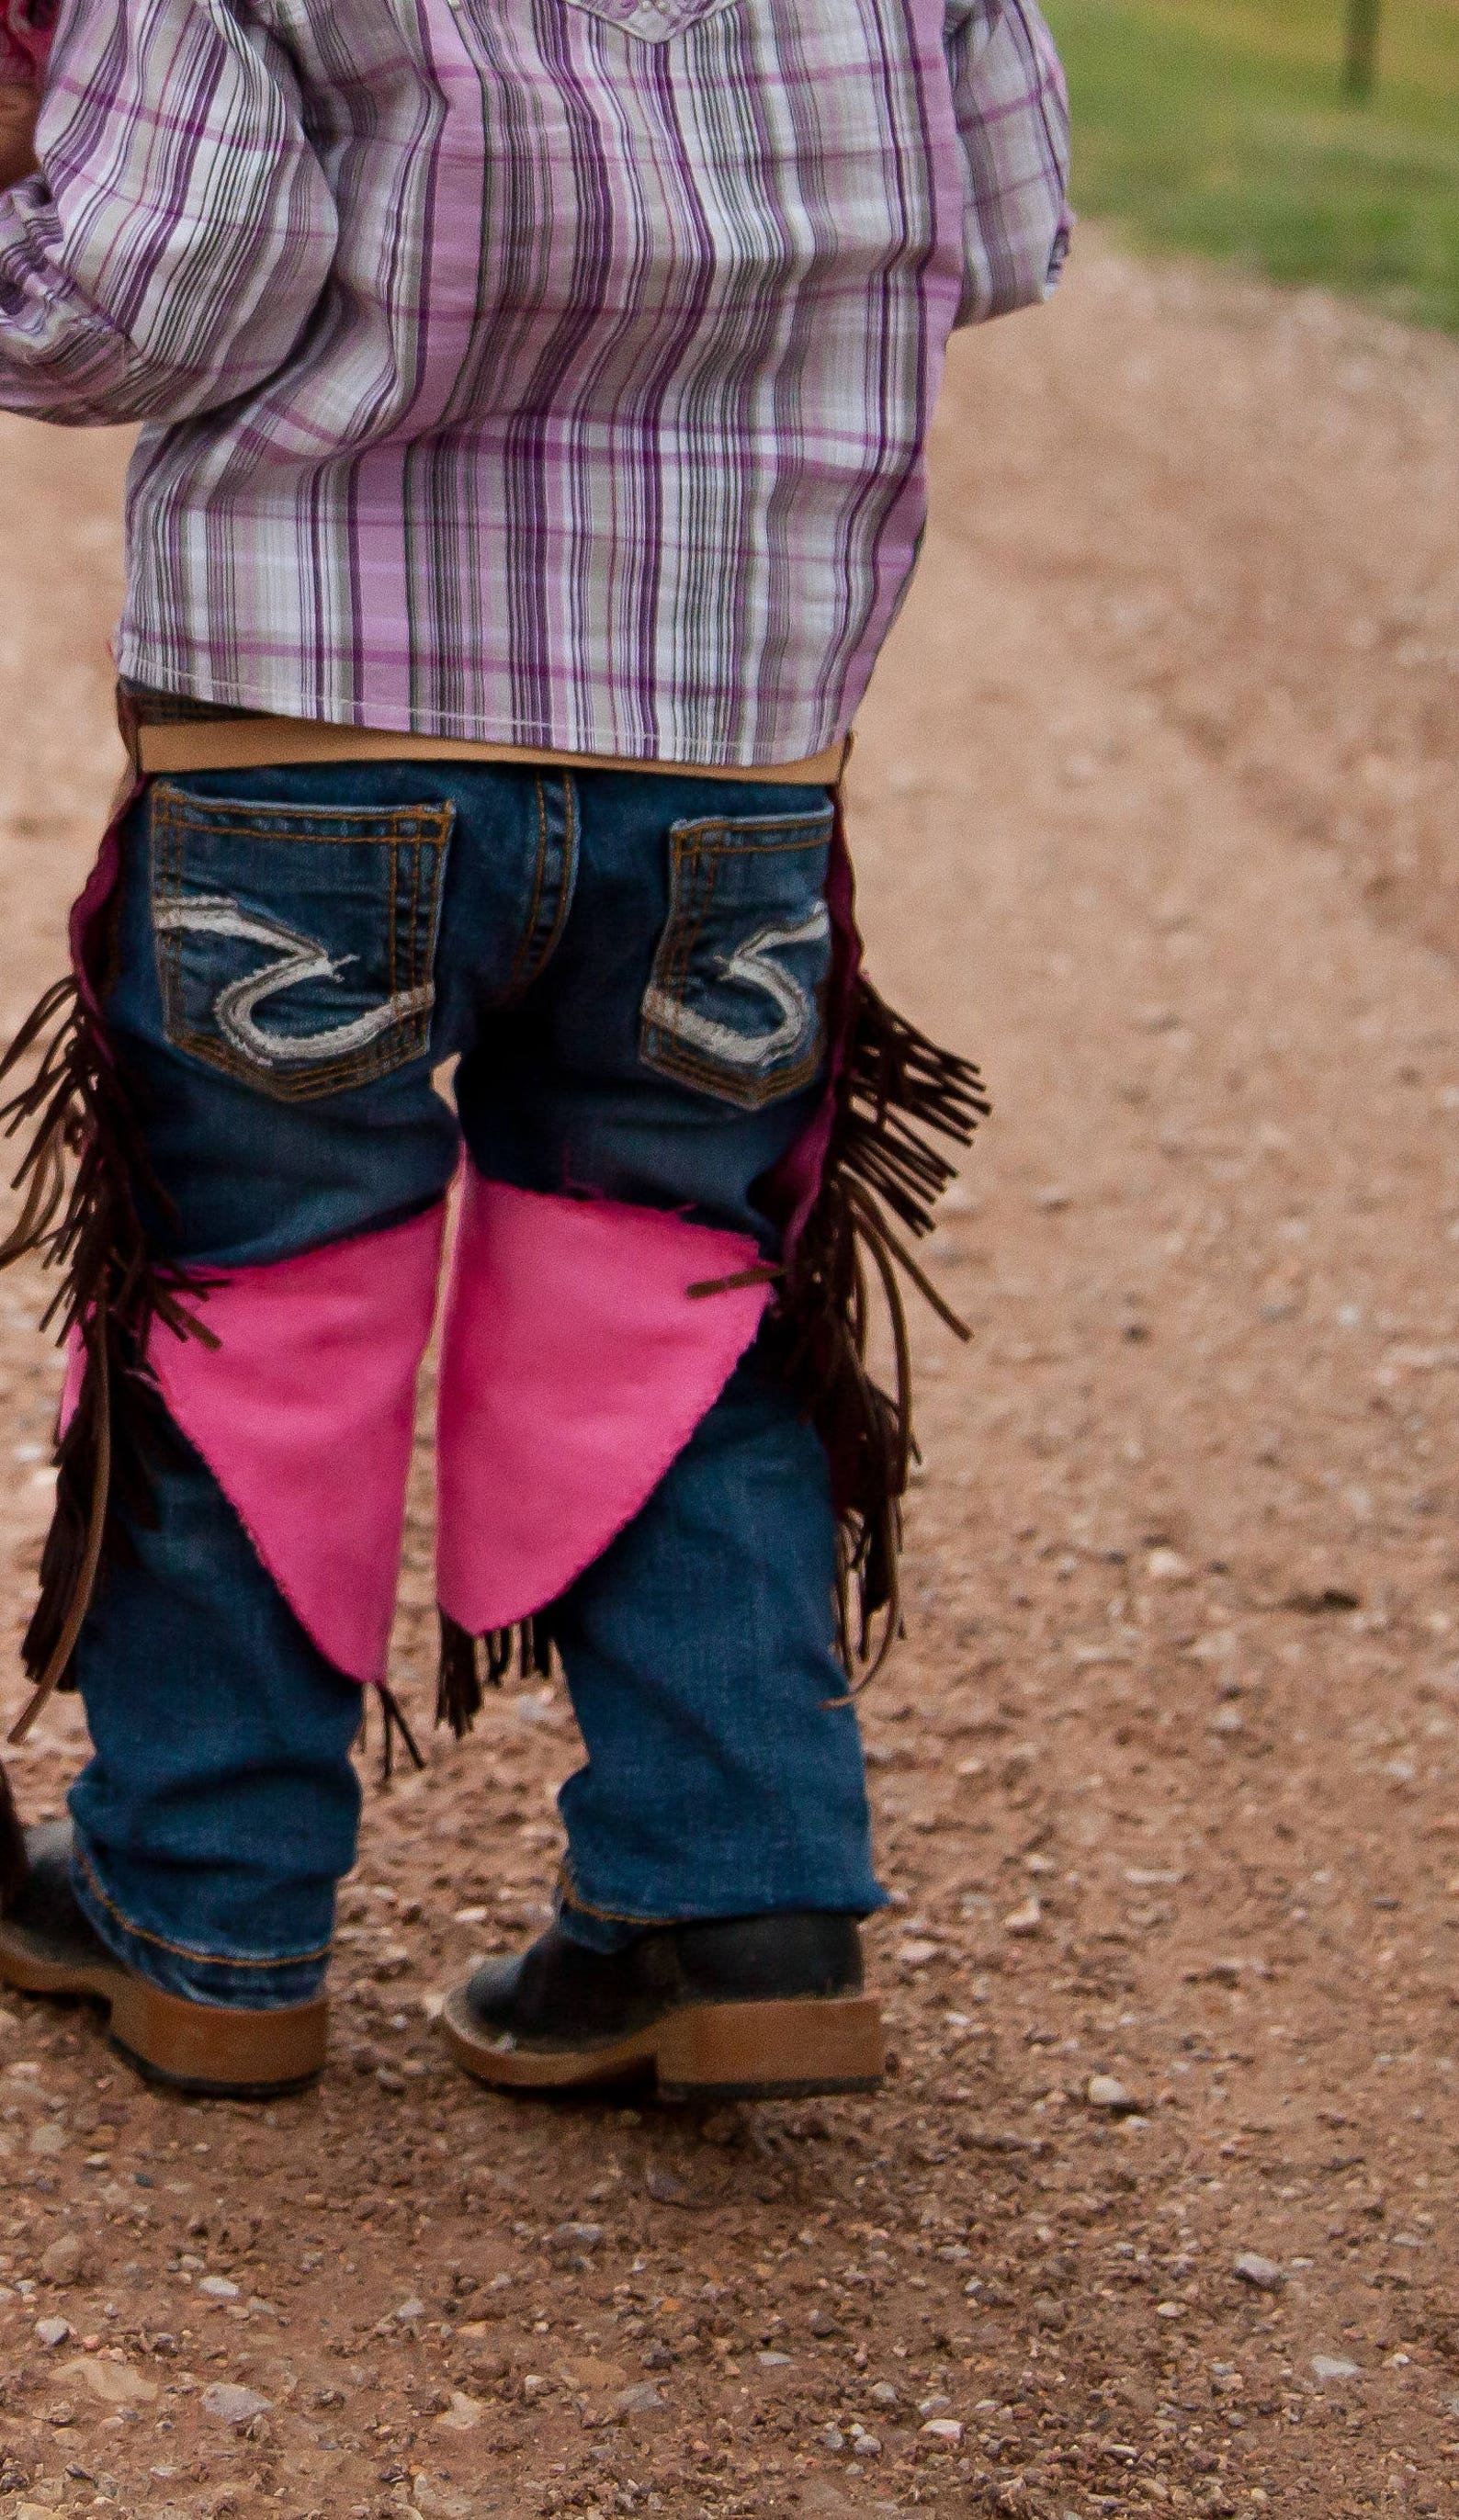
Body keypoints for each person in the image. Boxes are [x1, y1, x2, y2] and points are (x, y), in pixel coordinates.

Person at [0, 0, 1069, 2102]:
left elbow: (149, 300)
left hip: (312, 726)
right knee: (674, 1282)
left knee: (254, 1296)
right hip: (726, 744)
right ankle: (729, 1897)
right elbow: (1007, 229)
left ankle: (201, 1909)